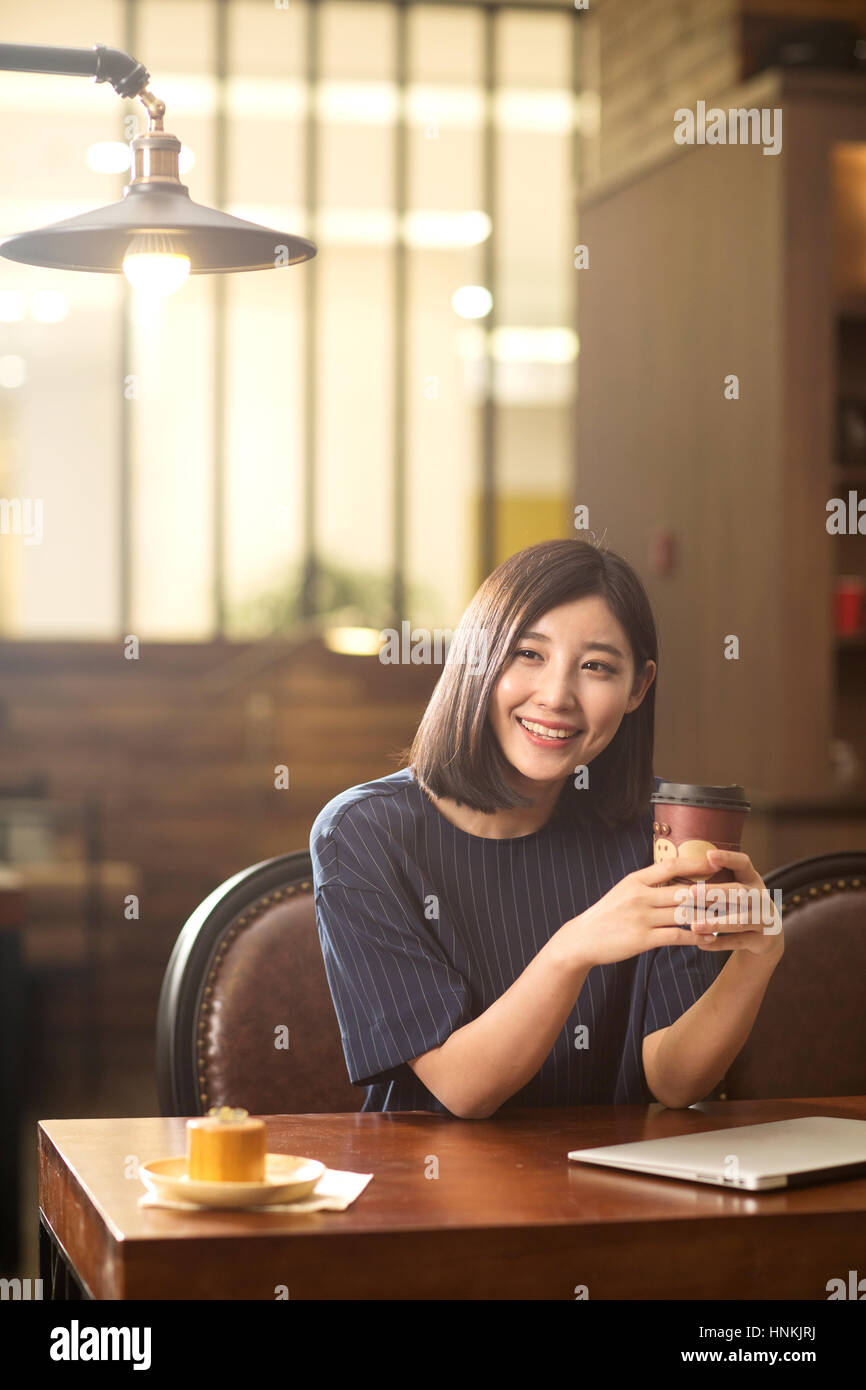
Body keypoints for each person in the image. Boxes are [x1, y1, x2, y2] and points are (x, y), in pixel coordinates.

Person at [310, 537, 784, 1117]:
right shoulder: (363, 835)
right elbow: (464, 1089)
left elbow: (674, 1081)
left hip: (609, 1190)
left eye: (596, 667)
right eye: (528, 655)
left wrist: (757, 957)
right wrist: (574, 949)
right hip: (431, 1190)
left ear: (638, 687)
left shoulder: (657, 832)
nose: (556, 696)